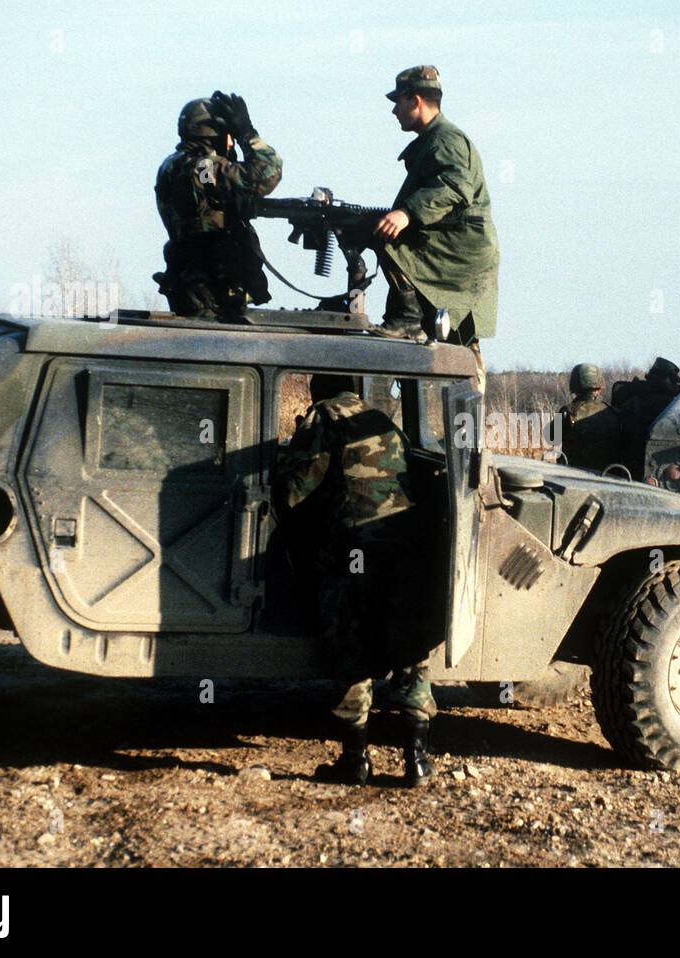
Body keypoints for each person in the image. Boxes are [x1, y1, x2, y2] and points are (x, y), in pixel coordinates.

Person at [275, 374, 436, 787]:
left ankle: (355, 760)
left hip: (356, 549)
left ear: (317, 391)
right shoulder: (382, 418)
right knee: (407, 649)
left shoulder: (323, 417)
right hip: (404, 546)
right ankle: (416, 760)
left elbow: (296, 488)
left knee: (354, 645)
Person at [373, 66, 498, 378]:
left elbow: (456, 186)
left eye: (398, 102)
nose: (393, 110)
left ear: (416, 101)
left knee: (389, 239)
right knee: (455, 337)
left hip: (459, 250)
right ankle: (408, 317)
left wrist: (407, 213)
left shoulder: (447, 140)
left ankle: (406, 319)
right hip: (451, 244)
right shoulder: (434, 140)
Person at [153, 92, 283, 321]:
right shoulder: (203, 167)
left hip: (191, 286)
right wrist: (247, 133)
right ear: (214, 134)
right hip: (212, 294)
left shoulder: (172, 165)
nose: (230, 142)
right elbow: (267, 172)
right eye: (227, 135)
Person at [613, 357, 680, 477]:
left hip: (629, 465)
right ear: (663, 380)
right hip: (652, 465)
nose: (674, 385)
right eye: (672, 381)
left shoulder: (633, 400)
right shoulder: (667, 405)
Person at [559, 364, 621, 471]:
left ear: (575, 385)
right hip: (607, 476)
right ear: (599, 386)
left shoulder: (568, 411)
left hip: (572, 474)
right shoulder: (613, 412)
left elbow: (550, 437)